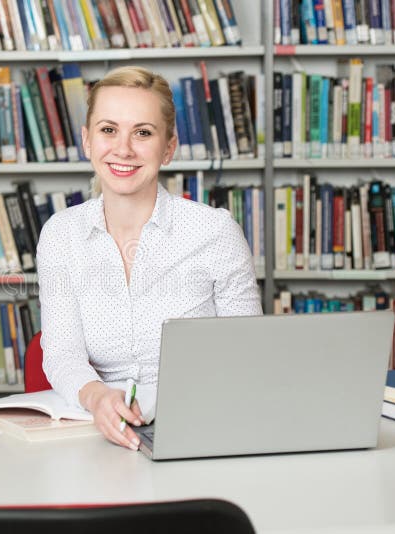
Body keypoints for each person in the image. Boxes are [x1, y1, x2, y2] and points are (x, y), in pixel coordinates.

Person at [36, 66, 262, 451]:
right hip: (98, 433)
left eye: (142, 132)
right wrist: (97, 397)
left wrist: (148, 403)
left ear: (169, 147)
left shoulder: (216, 232)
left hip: (202, 428)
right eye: (109, 130)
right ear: (88, 141)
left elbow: (247, 353)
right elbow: (62, 353)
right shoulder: (61, 235)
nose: (123, 148)